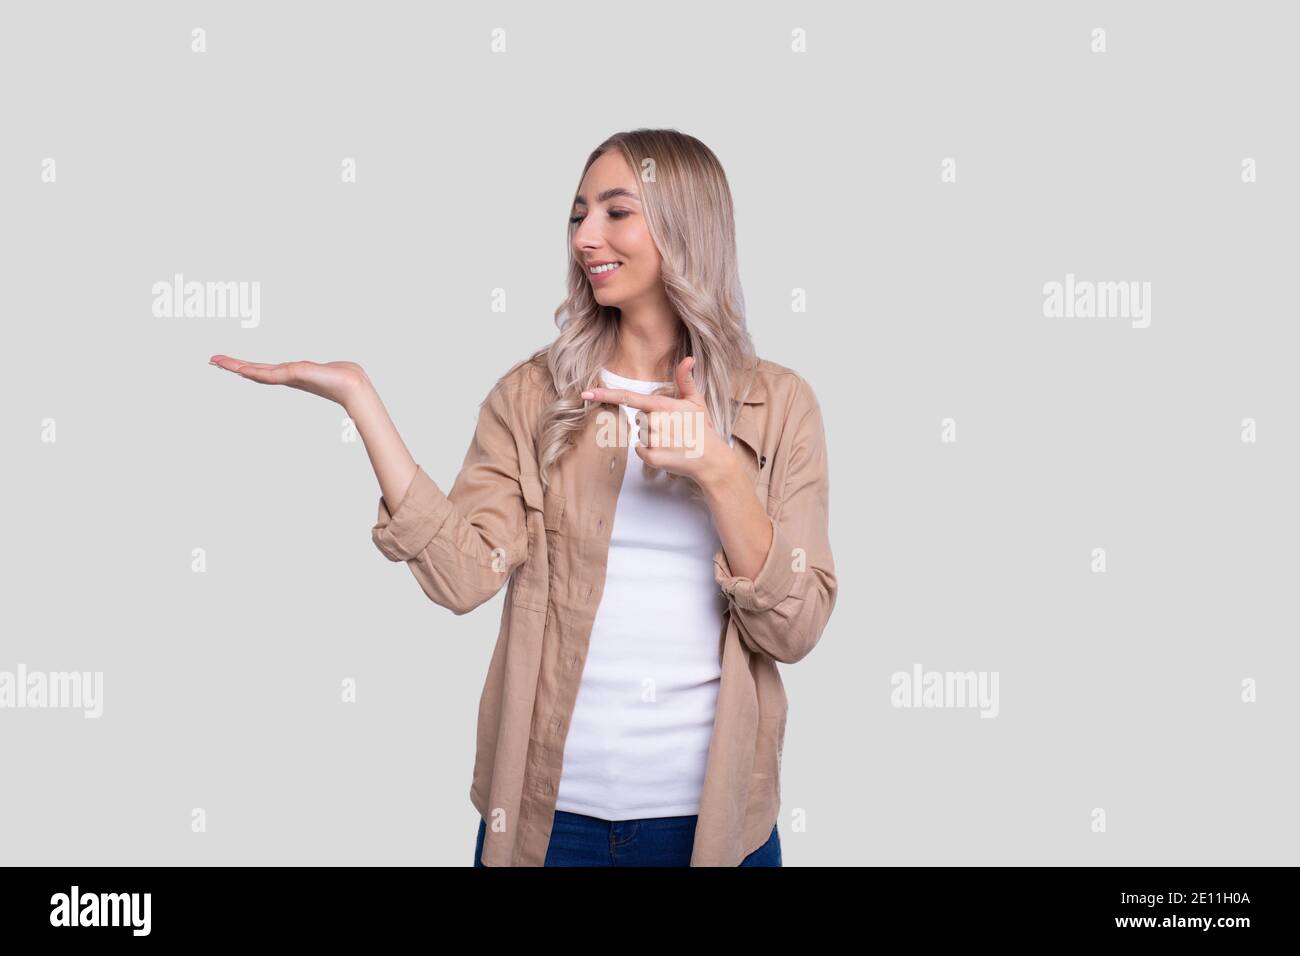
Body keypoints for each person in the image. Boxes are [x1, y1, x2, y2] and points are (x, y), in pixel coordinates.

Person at [209, 128, 837, 866]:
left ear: (685, 224)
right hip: (549, 821)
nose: (585, 237)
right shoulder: (532, 396)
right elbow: (463, 577)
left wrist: (721, 471)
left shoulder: (780, 404)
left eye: (615, 212)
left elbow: (795, 631)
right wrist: (361, 402)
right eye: (577, 216)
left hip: (714, 827)